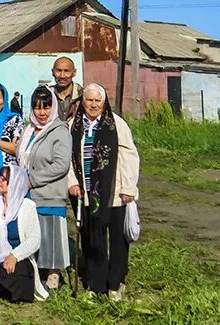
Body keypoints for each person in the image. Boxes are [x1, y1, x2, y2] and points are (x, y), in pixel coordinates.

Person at [68, 83, 140, 301]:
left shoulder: (116, 124)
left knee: (118, 240)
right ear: (82, 101)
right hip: (87, 194)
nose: (93, 104)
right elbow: (68, 159)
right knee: (92, 239)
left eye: (97, 100)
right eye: (89, 100)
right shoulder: (74, 125)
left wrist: (128, 187)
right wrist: (72, 182)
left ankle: (115, 283)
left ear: (104, 102)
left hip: (114, 192)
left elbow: (130, 156)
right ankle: (95, 282)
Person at [16, 86, 72, 291]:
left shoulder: (59, 131)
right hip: (29, 194)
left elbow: (61, 164)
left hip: (49, 193)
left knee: (51, 235)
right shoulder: (29, 129)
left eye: (46, 107)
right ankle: (36, 273)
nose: (42, 112)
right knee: (34, 233)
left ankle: (53, 276)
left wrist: (33, 180)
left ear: (53, 107)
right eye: (37, 107)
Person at [0, 165, 48, 303]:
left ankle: (4, 289)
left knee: (19, 272)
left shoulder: (27, 206)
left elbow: (34, 239)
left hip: (16, 259)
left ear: (15, 182)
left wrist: (15, 255)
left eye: (4, 179)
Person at [50, 57, 82, 122]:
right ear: (52, 72)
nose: (62, 76)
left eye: (66, 71)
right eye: (58, 70)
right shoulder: (47, 95)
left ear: (74, 72)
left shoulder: (82, 95)